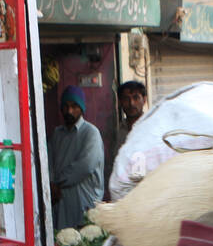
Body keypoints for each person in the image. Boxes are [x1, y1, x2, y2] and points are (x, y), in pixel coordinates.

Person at [48, 85, 104, 231]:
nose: (69, 111)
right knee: (62, 242)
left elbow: (85, 166)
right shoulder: (57, 134)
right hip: (61, 201)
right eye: (65, 106)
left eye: (74, 106)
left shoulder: (91, 133)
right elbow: (50, 162)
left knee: (86, 243)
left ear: (82, 108)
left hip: (84, 201)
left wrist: (58, 183)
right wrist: (52, 183)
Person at [103, 80, 148, 198]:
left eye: (136, 97)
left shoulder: (152, 128)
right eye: (126, 99)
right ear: (120, 102)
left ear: (144, 99)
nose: (131, 103)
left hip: (148, 192)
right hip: (125, 195)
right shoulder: (119, 131)